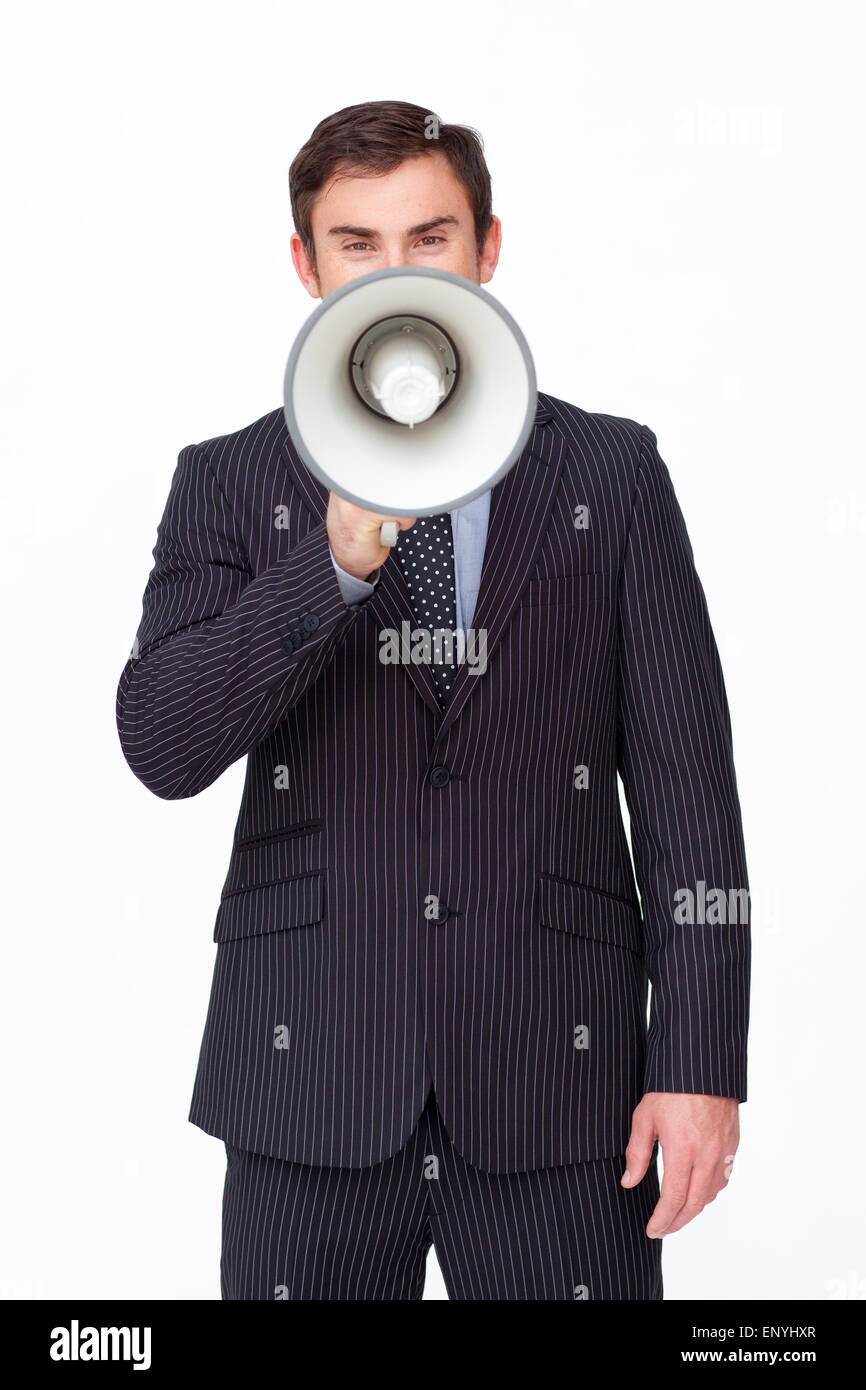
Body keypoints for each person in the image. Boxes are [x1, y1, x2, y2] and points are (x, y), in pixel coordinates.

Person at [116, 99, 750, 1301]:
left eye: (429, 238)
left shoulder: (608, 475)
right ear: (305, 265)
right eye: (355, 243)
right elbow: (162, 739)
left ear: (487, 250)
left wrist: (703, 1059)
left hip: (560, 1094)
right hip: (309, 1081)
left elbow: (686, 797)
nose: (392, 271)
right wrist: (331, 565)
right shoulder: (229, 480)